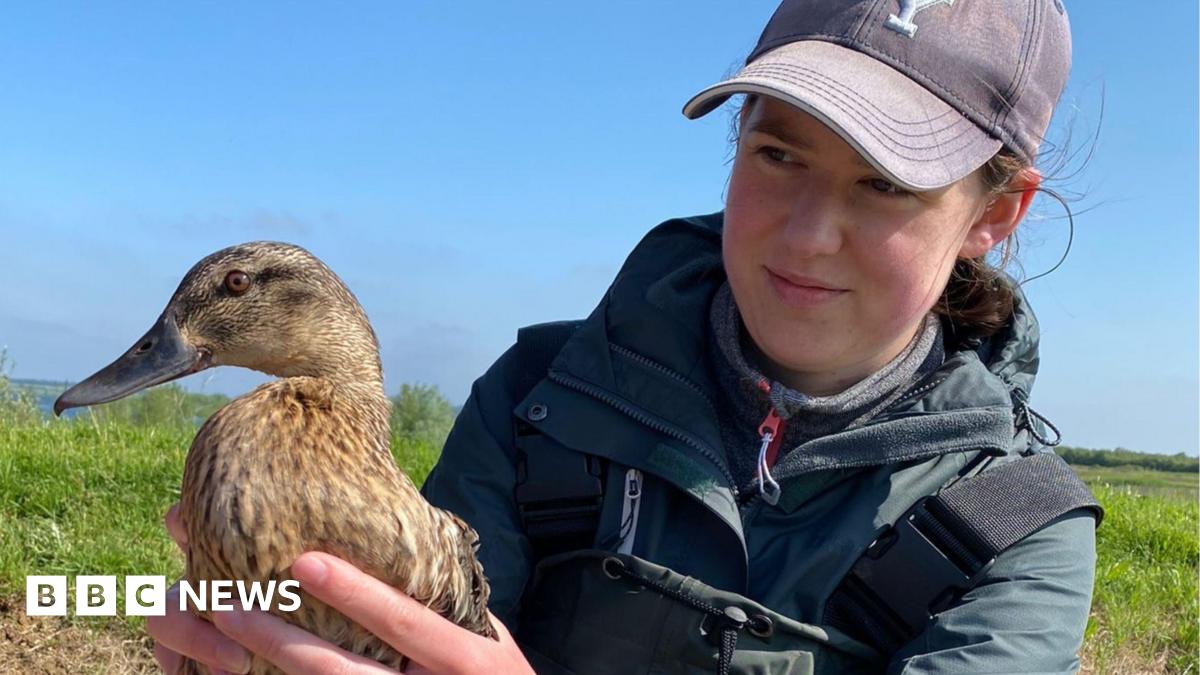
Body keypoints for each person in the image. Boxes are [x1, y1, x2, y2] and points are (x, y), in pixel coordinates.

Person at [148, 0, 1101, 673]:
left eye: (886, 183)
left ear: (995, 213)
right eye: (777, 153)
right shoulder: (537, 397)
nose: (810, 234)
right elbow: (407, 639)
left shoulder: (1014, 533)